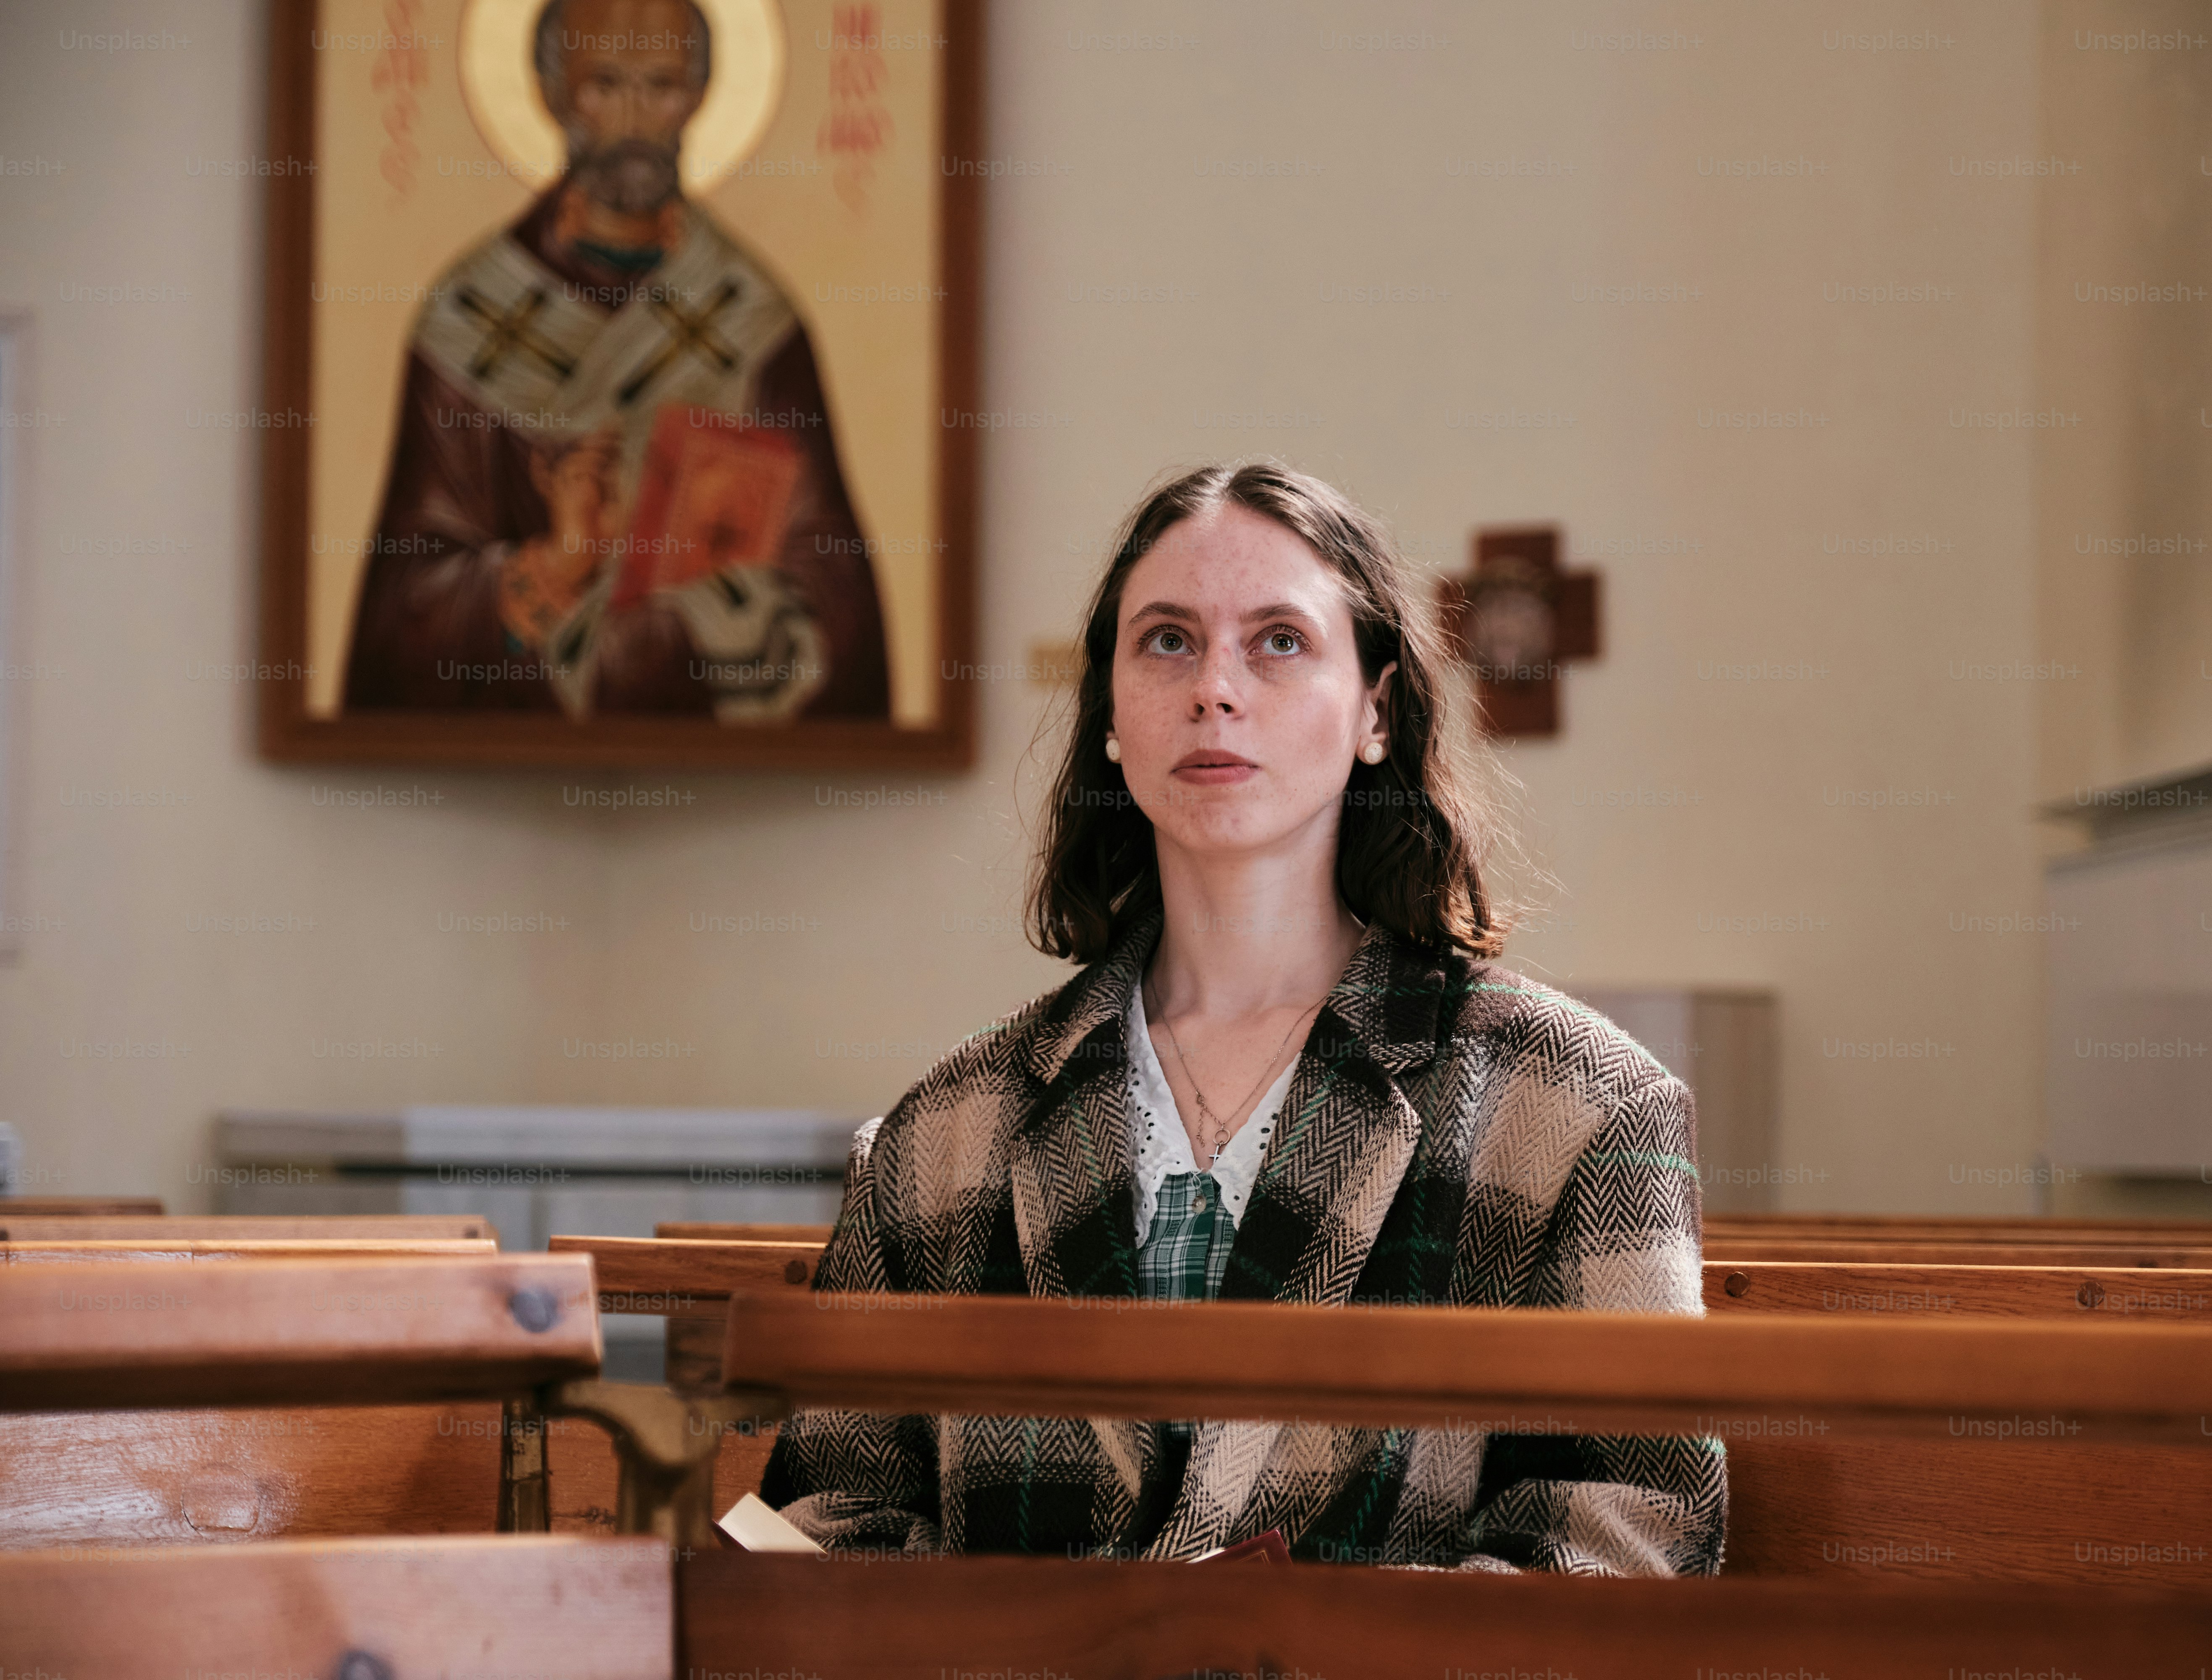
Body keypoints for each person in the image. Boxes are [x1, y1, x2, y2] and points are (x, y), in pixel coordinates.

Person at [761, 463, 1722, 1574]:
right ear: (1111, 716)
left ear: (1377, 708)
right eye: (1168, 640)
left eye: (1279, 641)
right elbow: (827, 1525)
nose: (1215, 687)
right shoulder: (941, 1138)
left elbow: (1626, 1546)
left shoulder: (1581, 1112)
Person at [342, 0, 888, 721]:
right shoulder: (467, 319)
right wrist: (544, 573)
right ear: (552, 92)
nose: (633, 121)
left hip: (707, 754)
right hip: (509, 769)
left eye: (661, 86)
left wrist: (695, 621)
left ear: (698, 97)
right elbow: (402, 617)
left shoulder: (756, 321)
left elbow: (836, 597)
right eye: (604, 85)